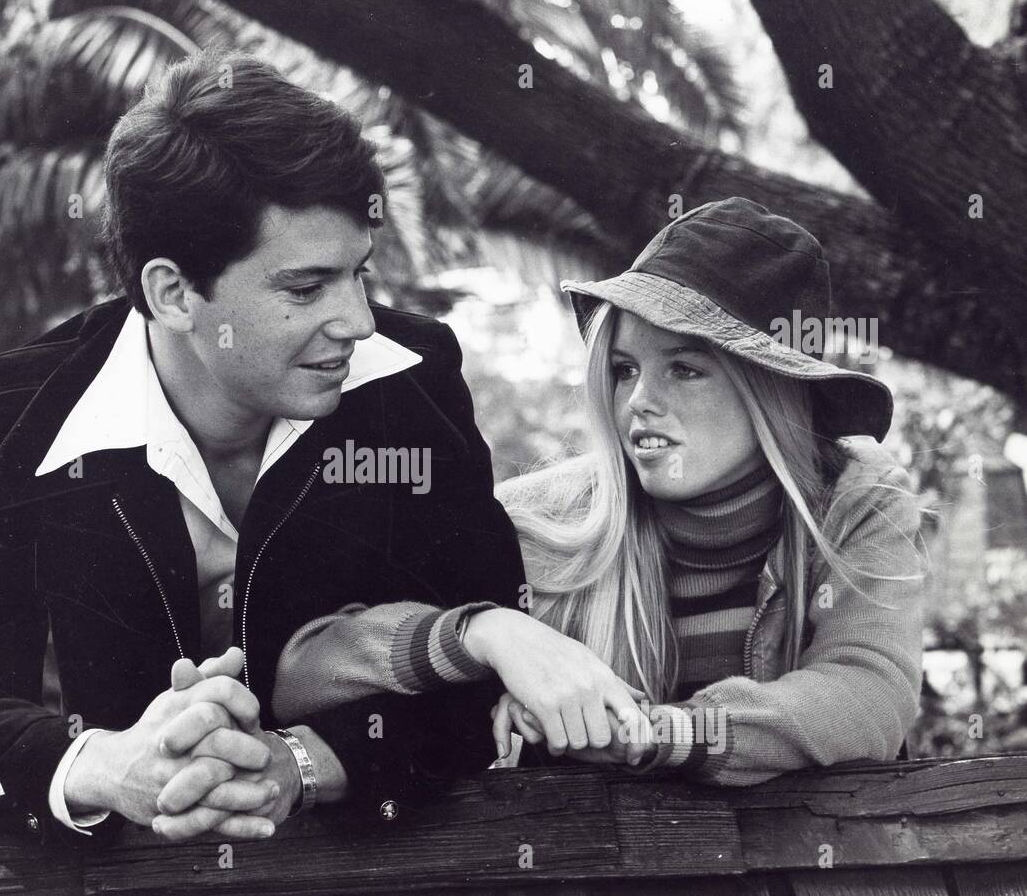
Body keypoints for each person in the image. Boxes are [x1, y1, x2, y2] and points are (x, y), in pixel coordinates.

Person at [0, 49, 524, 848]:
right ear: (173, 293)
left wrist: (298, 762)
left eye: (360, 273)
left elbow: (489, 659)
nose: (359, 321)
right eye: (305, 288)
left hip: (387, 880)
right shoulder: (16, 411)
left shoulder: (413, 382)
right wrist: (103, 764)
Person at [272, 198, 928, 786]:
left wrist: (652, 736)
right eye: (623, 370)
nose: (640, 401)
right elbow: (305, 673)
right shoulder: (545, 521)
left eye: (685, 369)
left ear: (773, 387)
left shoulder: (858, 501)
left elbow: (867, 697)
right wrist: (484, 637)